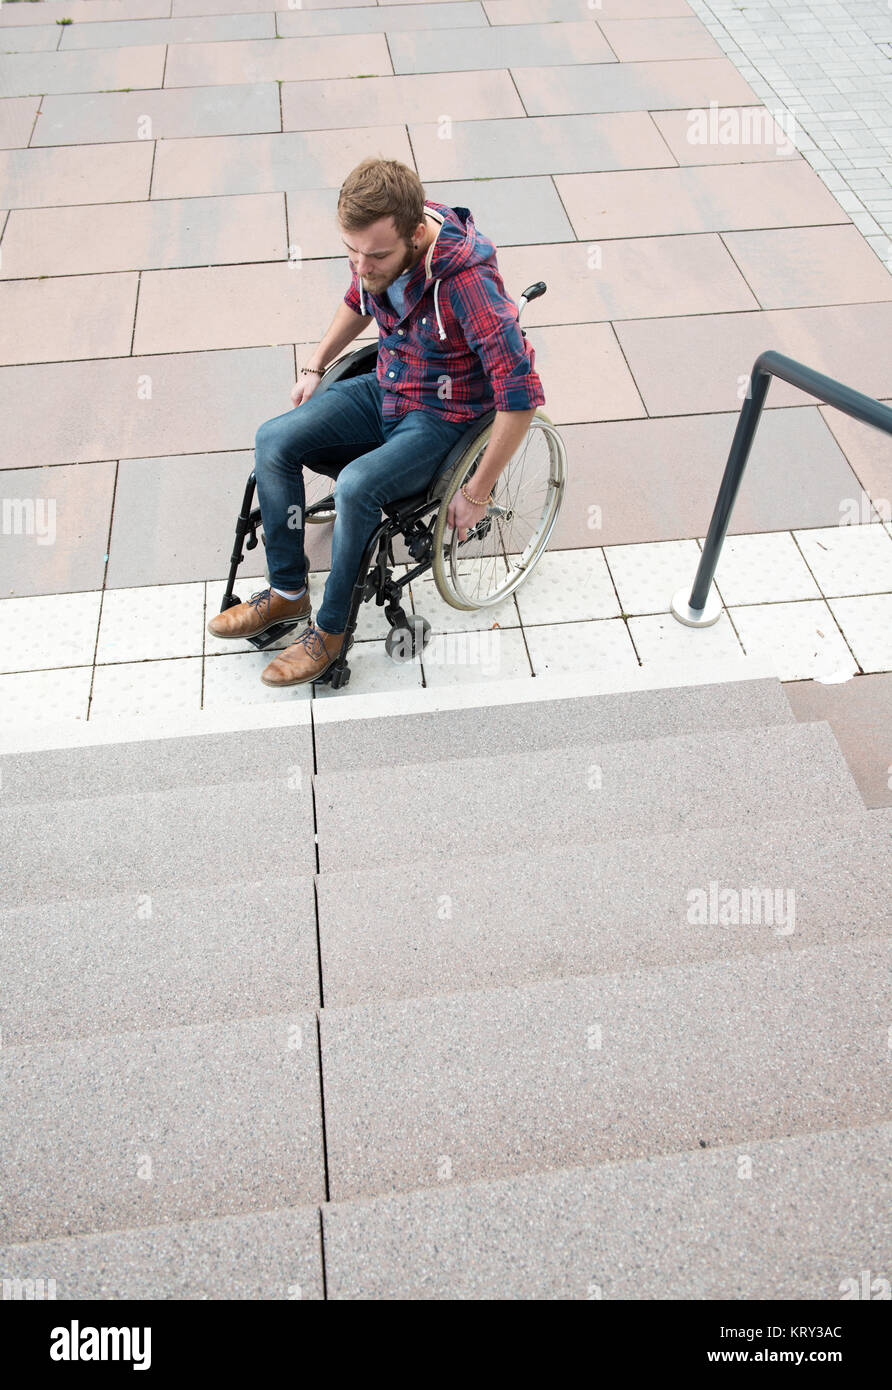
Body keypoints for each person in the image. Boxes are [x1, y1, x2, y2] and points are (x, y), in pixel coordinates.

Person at [207, 156, 546, 686]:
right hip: (387, 384)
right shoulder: (376, 241)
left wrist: (477, 490)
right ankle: (288, 594)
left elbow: (521, 396)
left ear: (415, 234)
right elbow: (359, 298)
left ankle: (331, 630)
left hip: (442, 416)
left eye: (375, 256)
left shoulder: (468, 282)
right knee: (273, 439)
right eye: (351, 251)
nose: (362, 266)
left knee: (358, 486)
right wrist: (315, 365)